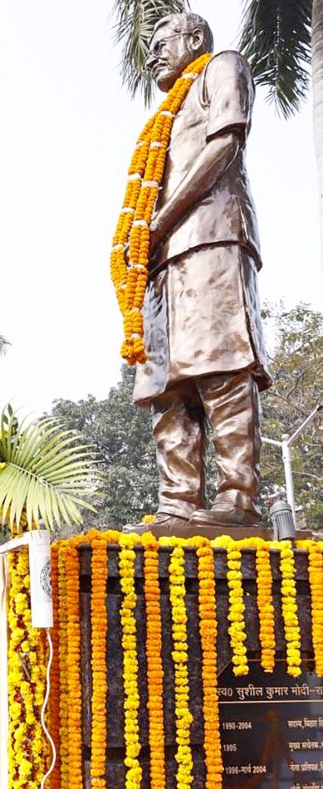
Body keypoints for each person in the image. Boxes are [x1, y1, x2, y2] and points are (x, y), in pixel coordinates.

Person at [132, 12, 270, 529]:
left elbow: (224, 144)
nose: (152, 55)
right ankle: (178, 501)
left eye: (161, 41)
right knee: (164, 381)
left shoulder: (223, 66)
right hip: (160, 258)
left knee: (222, 362)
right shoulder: (162, 116)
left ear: (195, 38)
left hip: (213, 235)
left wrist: (161, 222)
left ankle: (238, 499)